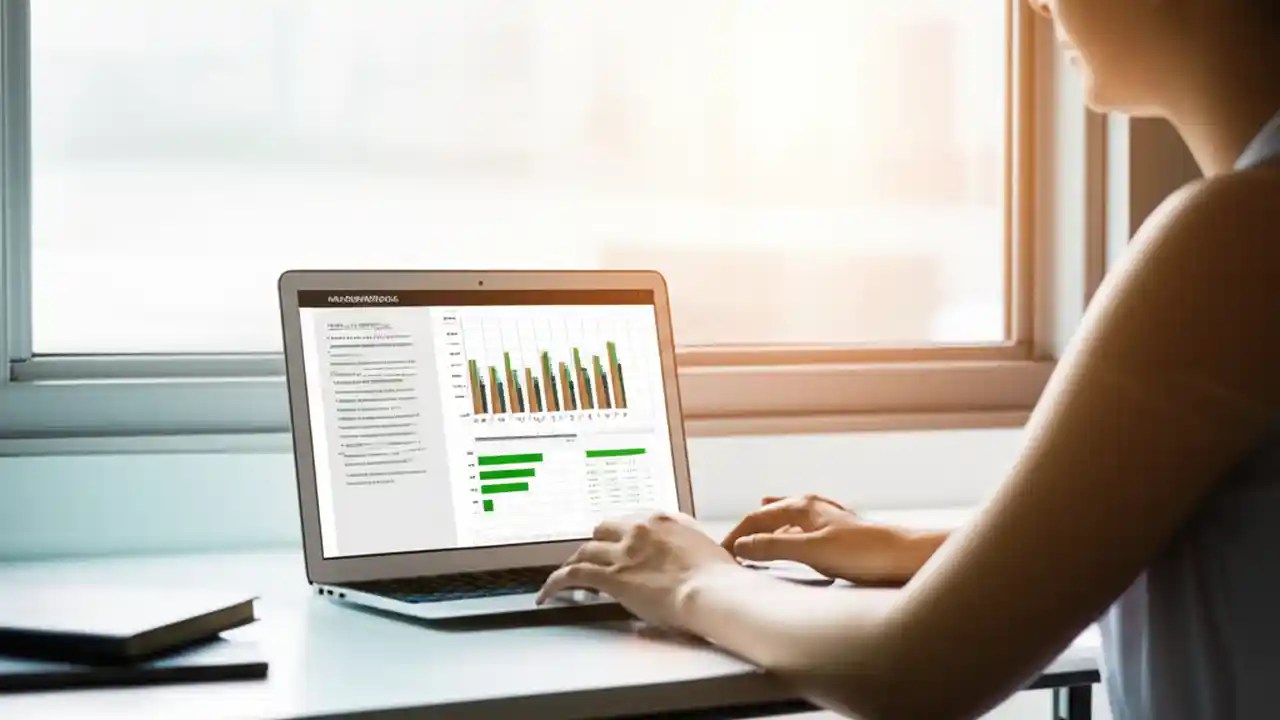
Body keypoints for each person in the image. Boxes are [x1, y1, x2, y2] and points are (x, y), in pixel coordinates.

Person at [537, 0, 1280, 716]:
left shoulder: (1235, 241)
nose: (1034, 6)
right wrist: (912, 549)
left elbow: (913, 670)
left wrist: (695, 581)